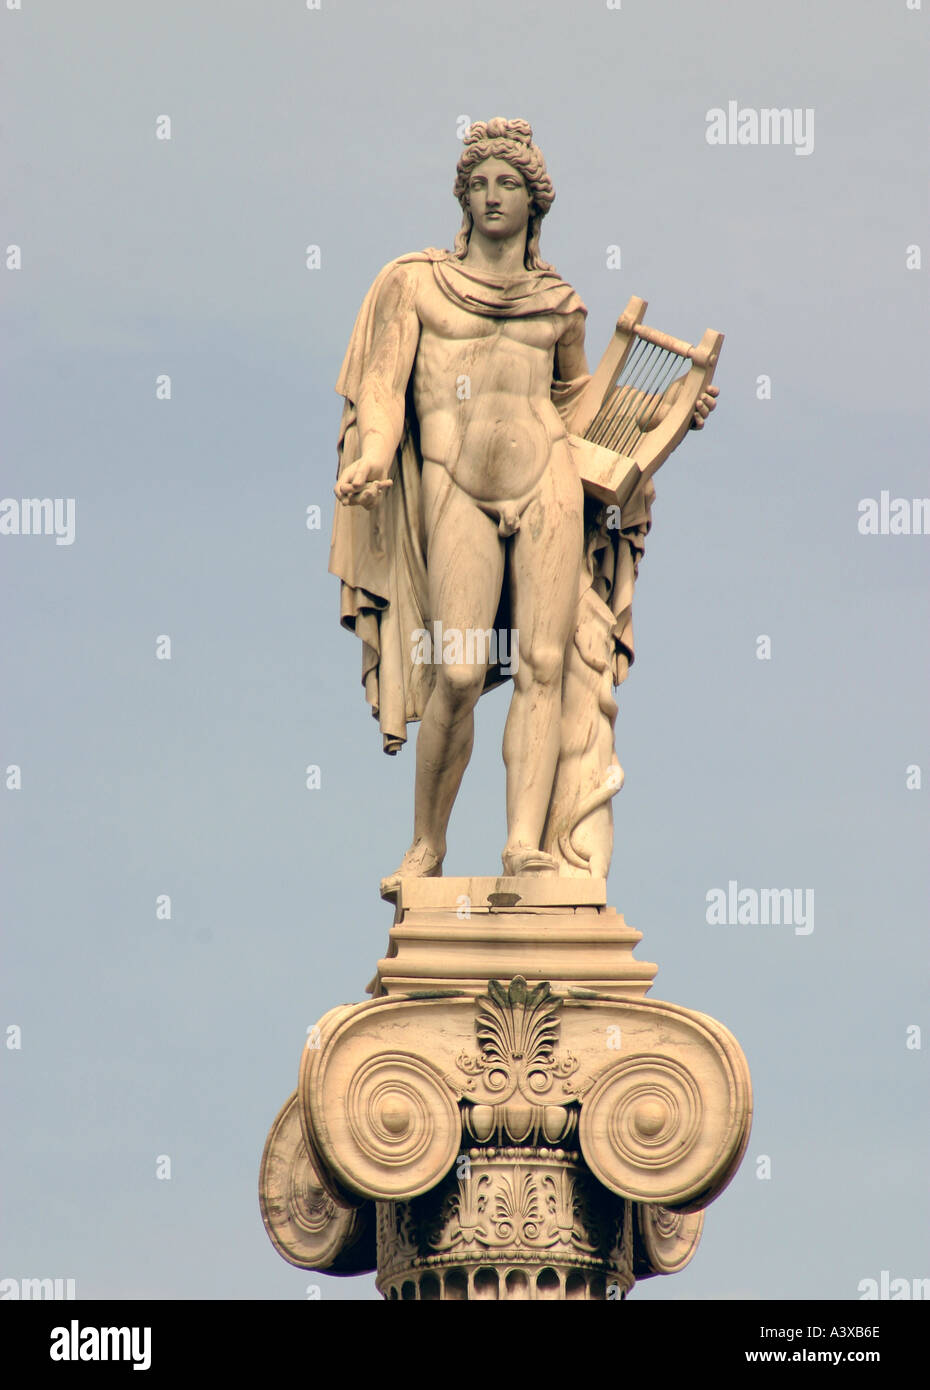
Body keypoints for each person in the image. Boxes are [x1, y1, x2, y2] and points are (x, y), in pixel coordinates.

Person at [329, 119, 716, 887]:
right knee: (462, 672)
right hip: (456, 488)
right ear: (462, 198)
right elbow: (382, 386)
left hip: (548, 484)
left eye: (508, 183)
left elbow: (578, 402)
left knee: (544, 664)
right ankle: (427, 847)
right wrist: (374, 452)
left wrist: (664, 404)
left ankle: (522, 847)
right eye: (479, 184)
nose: (491, 196)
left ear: (534, 203)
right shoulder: (416, 284)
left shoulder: (557, 302)